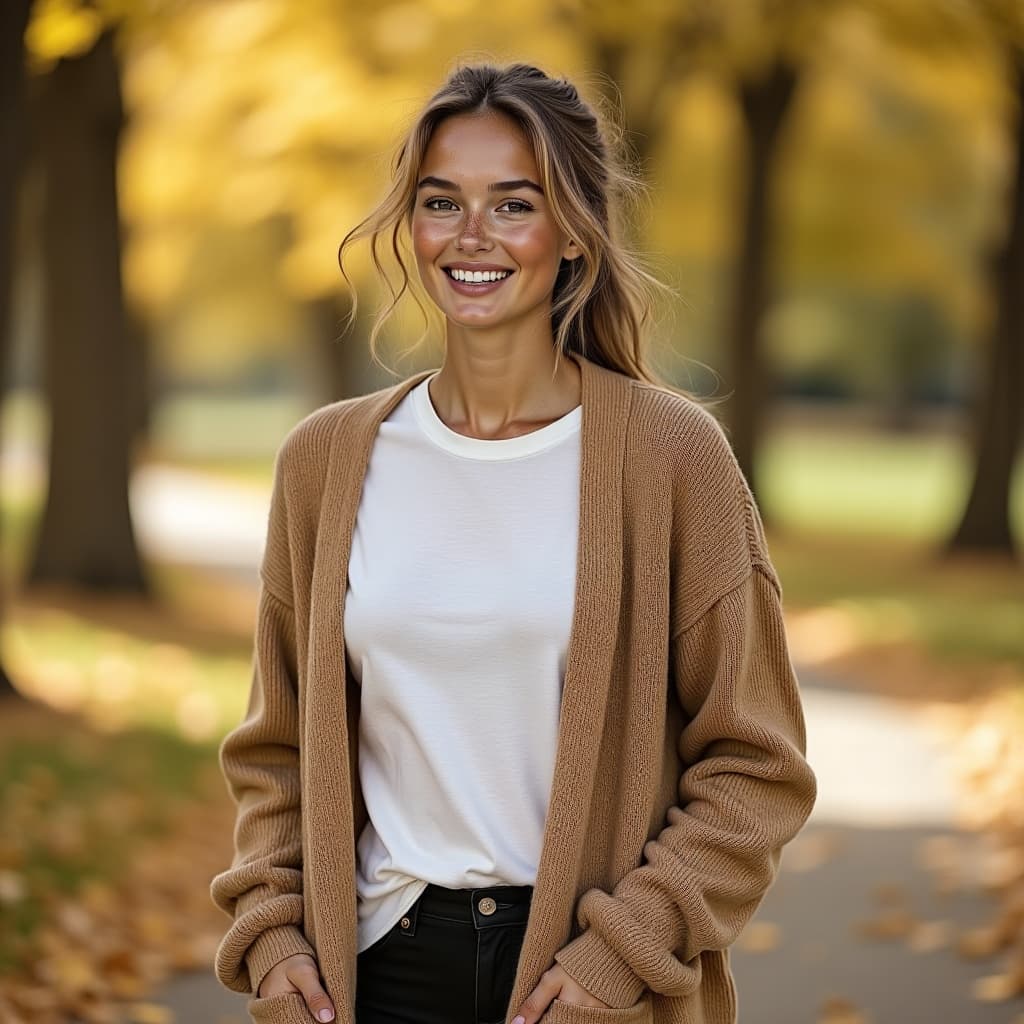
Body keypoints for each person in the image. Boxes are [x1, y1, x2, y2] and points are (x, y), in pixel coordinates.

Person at [210, 60, 817, 1024]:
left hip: (584, 975)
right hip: (378, 966)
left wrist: (622, 955)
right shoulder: (325, 462)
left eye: (514, 203)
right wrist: (276, 932)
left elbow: (757, 762)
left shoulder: (671, 456)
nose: (472, 236)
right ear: (411, 225)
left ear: (573, 231)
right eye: (442, 201)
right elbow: (277, 747)